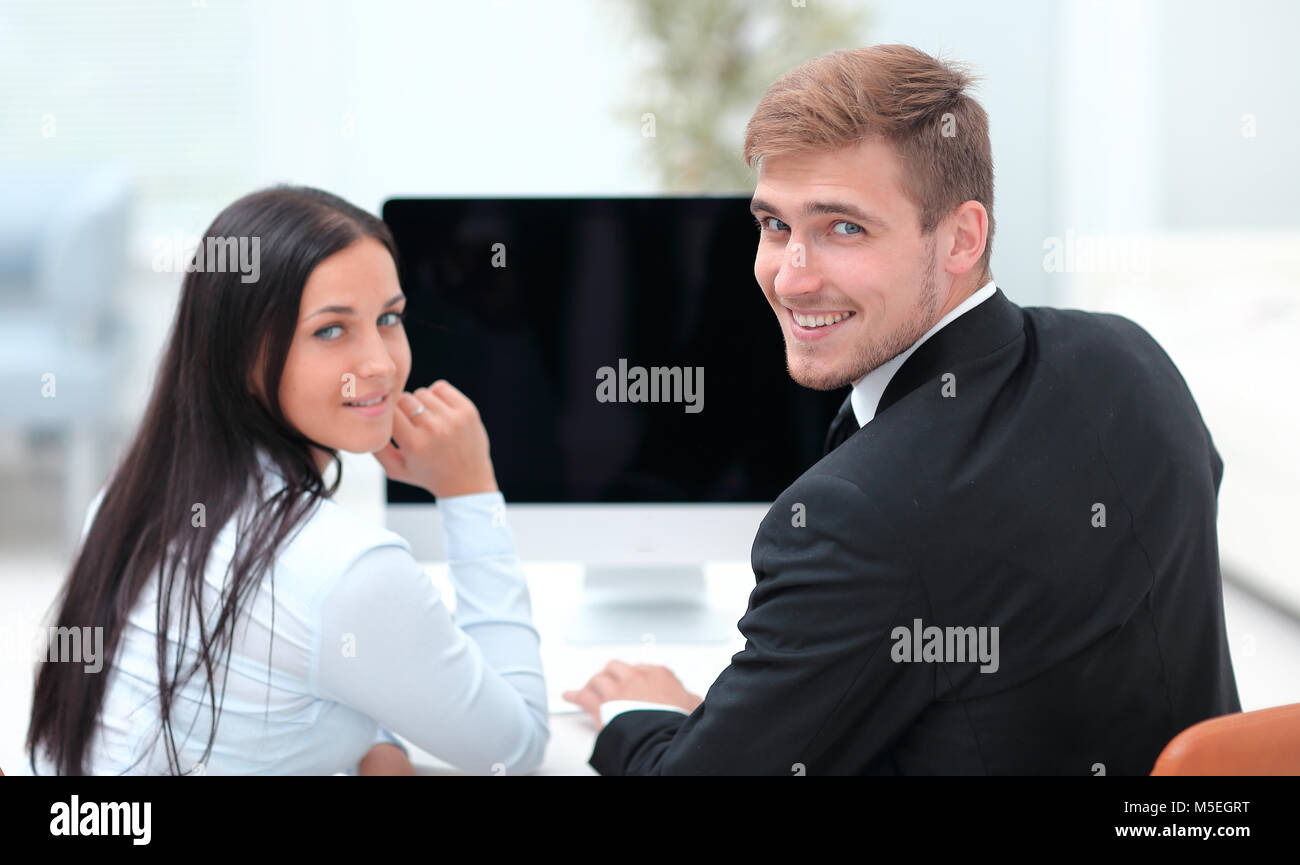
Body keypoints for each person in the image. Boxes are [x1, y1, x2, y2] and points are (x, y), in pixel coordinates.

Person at [563, 44, 1241, 774]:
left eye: (842, 228)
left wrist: (643, 716)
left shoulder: (854, 514)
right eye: (774, 225)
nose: (790, 277)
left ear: (960, 237)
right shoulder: (1129, 356)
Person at [26, 186, 549, 775]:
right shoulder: (346, 570)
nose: (380, 363)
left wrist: (377, 742)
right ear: (242, 353)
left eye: (389, 318)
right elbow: (519, 748)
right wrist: (470, 491)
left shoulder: (129, 497)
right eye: (331, 331)